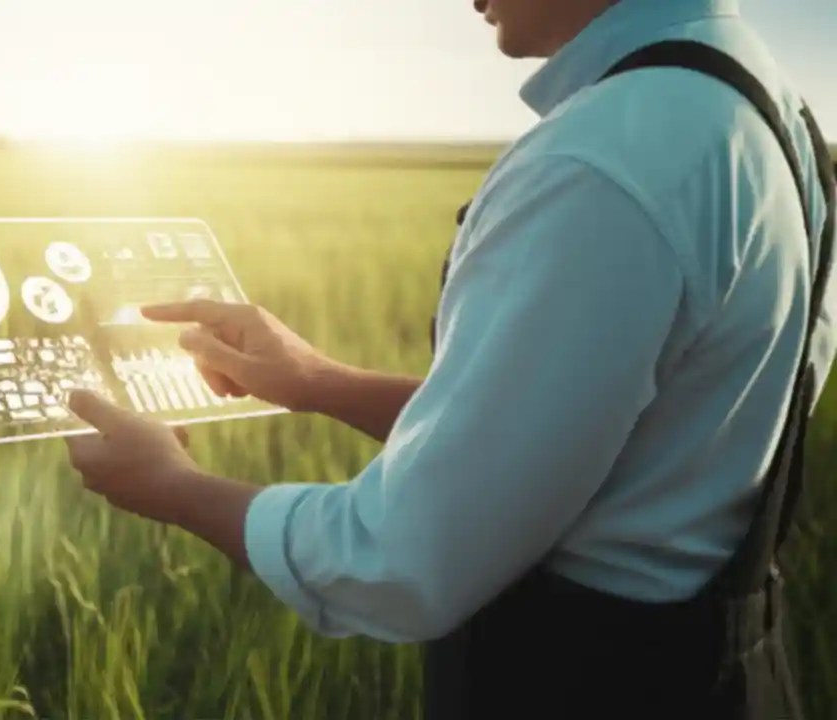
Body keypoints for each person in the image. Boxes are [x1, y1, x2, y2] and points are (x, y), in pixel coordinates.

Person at [63, 0, 835, 717]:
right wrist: (321, 383)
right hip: (731, 680)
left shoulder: (603, 160)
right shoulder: (768, 107)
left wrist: (173, 486)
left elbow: (406, 556)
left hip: (586, 690)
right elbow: (599, 439)